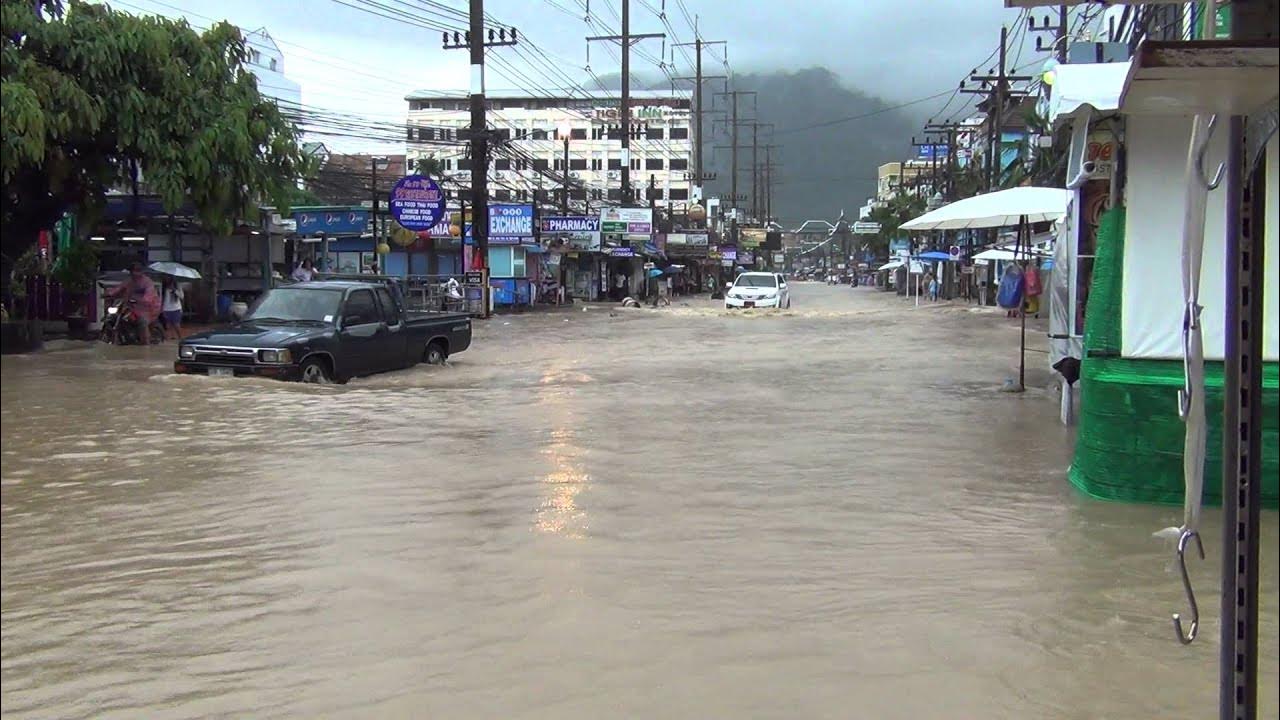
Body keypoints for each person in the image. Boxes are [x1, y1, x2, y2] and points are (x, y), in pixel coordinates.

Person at [107, 262, 160, 344]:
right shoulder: (129, 281)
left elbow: (149, 296)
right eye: (132, 271)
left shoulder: (147, 282)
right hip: (132, 307)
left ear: (141, 272)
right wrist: (108, 294)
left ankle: (146, 344)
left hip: (148, 308)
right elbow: (119, 288)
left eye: (137, 271)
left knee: (142, 322)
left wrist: (142, 300)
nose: (134, 273)